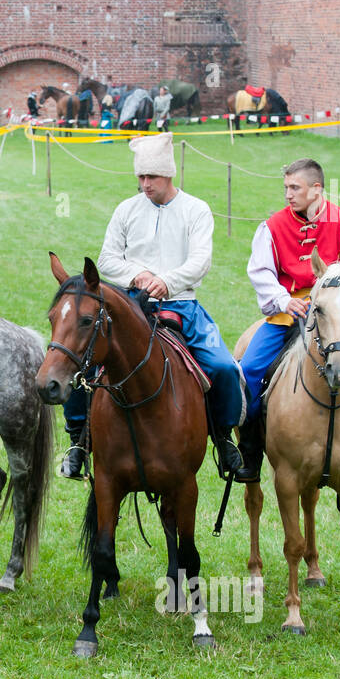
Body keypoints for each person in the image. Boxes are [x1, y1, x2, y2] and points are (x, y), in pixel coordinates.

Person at [59, 132, 245, 479]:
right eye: (141, 177)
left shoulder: (196, 210)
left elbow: (201, 260)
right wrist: (140, 275)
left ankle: (223, 437)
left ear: (169, 175)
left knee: (223, 367)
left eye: (152, 177)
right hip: (130, 306)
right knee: (79, 365)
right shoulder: (126, 210)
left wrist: (168, 281)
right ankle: (78, 442)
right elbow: (108, 258)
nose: (145, 184)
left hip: (182, 305)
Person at [234, 158, 340, 483]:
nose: (288, 194)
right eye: (285, 187)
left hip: (336, 314)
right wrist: (284, 299)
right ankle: (251, 453)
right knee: (248, 371)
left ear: (316, 189)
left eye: (294, 188)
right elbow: (260, 272)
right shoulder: (272, 227)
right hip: (289, 314)